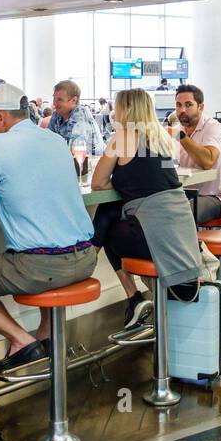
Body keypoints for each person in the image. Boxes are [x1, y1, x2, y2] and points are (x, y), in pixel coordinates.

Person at [0, 83, 97, 373]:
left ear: (1, 117)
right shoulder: (53, 140)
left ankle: (22, 342)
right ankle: (47, 339)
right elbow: (26, 182)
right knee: (49, 264)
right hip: (85, 260)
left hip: (40, 268)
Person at [91, 89, 194, 331]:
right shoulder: (162, 138)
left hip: (151, 237)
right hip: (180, 235)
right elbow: (163, 178)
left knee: (108, 222)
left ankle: (130, 294)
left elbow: (97, 183)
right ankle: (135, 298)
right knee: (113, 214)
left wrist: (122, 183)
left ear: (126, 109)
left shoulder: (123, 137)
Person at [170, 83, 221, 224]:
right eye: (178, 105)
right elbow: (168, 161)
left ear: (201, 107)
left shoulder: (213, 127)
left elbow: (208, 161)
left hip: (214, 197)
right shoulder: (177, 129)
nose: (182, 110)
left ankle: (193, 246)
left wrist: (181, 137)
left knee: (179, 215)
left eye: (188, 105)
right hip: (183, 193)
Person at [48, 79, 105, 154]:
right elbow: (47, 140)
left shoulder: (80, 116)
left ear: (74, 100)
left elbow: (74, 152)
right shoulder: (57, 114)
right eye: (54, 99)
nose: (54, 103)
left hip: (89, 163)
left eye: (59, 100)